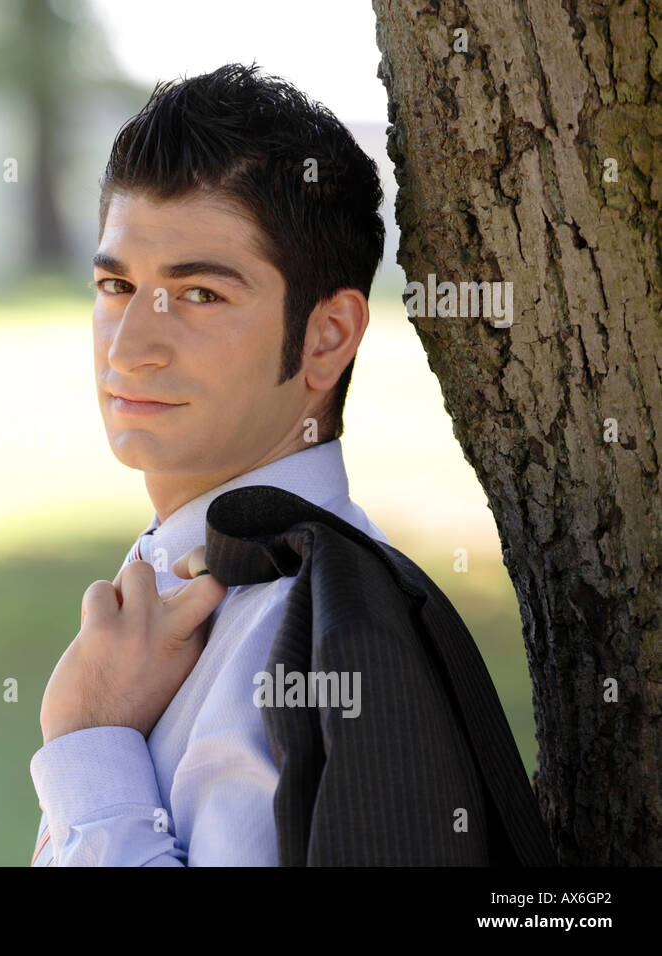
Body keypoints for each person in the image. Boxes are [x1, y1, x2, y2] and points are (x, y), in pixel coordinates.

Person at [29, 62, 506, 866]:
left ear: (327, 337)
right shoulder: (186, 579)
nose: (131, 348)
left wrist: (90, 739)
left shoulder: (307, 642)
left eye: (200, 295)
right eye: (117, 284)